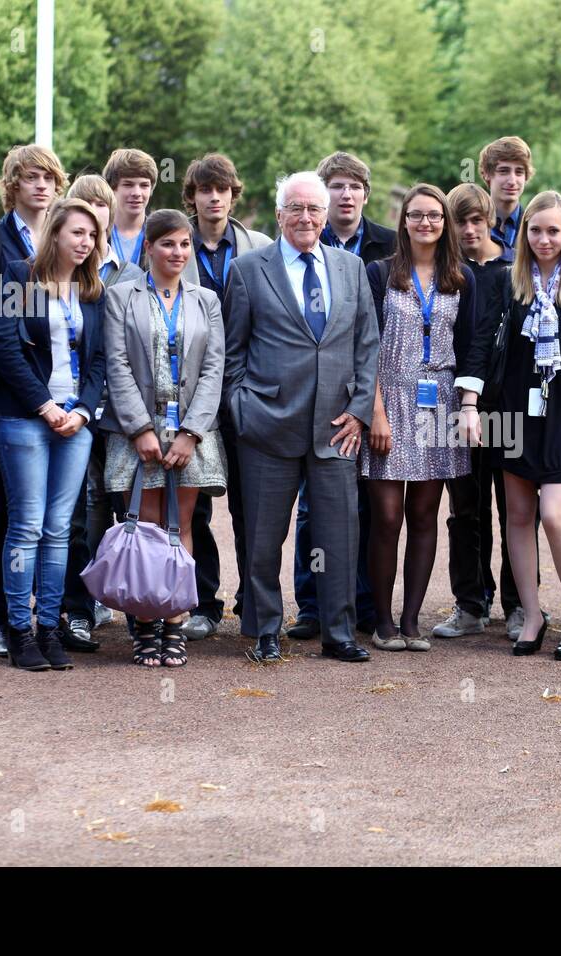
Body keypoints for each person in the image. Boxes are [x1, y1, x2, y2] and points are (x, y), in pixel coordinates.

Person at [223, 171, 380, 664]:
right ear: (279, 214)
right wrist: (243, 409)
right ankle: (265, 629)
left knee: (339, 535)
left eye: (314, 208)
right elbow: (232, 354)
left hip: (336, 429)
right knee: (264, 539)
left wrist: (358, 412)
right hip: (267, 426)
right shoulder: (249, 270)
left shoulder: (350, 268)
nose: (306, 217)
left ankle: (339, 632)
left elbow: (366, 346)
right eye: (296, 208)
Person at [457, 191, 561, 660]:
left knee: (553, 515)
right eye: (536, 230)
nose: (544, 239)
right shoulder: (508, 281)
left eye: (553, 231)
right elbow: (482, 342)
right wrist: (468, 402)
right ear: (524, 233)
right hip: (511, 409)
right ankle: (533, 613)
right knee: (517, 517)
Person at [101, 209, 227, 667]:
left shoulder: (205, 300)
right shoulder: (121, 297)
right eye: (167, 244)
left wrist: (191, 432)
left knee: (181, 527)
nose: (177, 252)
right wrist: (140, 429)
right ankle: (145, 625)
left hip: (191, 432)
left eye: (184, 244)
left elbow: (214, 368)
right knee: (145, 528)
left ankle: (174, 619)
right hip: (139, 433)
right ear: (149, 247)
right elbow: (116, 366)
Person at [0, 199, 107, 671]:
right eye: (77, 232)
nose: (85, 243)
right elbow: (4, 348)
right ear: (55, 232)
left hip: (76, 422)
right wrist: (45, 406)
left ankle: (49, 626)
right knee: (27, 525)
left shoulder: (92, 289)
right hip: (25, 417)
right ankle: (19, 630)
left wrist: (81, 410)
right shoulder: (17, 277)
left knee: (60, 529)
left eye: (92, 236)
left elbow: (100, 360)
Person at [285, 152, 396, 643]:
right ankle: (312, 605)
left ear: (366, 195)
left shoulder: (390, 246)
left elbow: (372, 337)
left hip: (374, 395)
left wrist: (370, 407)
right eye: (337, 186)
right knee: (313, 507)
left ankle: (362, 603)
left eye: (355, 186)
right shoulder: (300, 239)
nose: (345, 194)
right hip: (316, 403)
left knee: (365, 506)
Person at [0, 144, 67, 657]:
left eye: (49, 177)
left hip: (65, 398)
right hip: (7, 398)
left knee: (58, 513)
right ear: (13, 184)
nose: (41, 186)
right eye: (31, 177)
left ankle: (53, 614)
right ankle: (5, 616)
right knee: (6, 504)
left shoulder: (68, 233)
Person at [362, 184, 475, 651]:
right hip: (390, 397)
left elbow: (470, 349)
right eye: (416, 215)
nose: (425, 223)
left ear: (445, 223)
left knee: (425, 512)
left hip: (439, 403)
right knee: (387, 516)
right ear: (403, 221)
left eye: (434, 216)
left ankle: (411, 621)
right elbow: (364, 346)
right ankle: (382, 621)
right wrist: (376, 412)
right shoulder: (381, 273)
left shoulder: (461, 277)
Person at [434, 183, 535, 640]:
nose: (470, 229)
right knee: (464, 510)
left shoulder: (517, 268)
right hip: (451, 406)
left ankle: (519, 606)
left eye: (477, 220)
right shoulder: (443, 271)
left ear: (491, 219)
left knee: (516, 508)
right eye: (461, 222)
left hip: (508, 405)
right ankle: (471, 603)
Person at [177, 153, 272, 642]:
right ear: (191, 196)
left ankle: (254, 601)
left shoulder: (261, 247)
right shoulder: (173, 246)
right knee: (192, 507)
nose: (213, 197)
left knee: (251, 504)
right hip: (192, 396)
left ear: (234, 194)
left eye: (222, 189)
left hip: (248, 391)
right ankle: (201, 604)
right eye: (203, 190)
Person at [57, 174, 144, 650]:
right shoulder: (68, 276)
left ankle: (139, 610)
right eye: (84, 205)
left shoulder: (132, 273)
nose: (95, 211)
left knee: (128, 511)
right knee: (79, 515)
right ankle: (79, 608)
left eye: (101, 204)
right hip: (79, 409)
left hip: (125, 412)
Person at [102, 148, 157, 270]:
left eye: (144, 185)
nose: (137, 193)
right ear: (112, 188)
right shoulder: (96, 235)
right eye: (128, 184)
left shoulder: (159, 236)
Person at [478, 136, 533, 256]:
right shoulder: (470, 226)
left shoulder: (535, 226)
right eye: (504, 171)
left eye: (519, 172)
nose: (512, 180)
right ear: (487, 174)